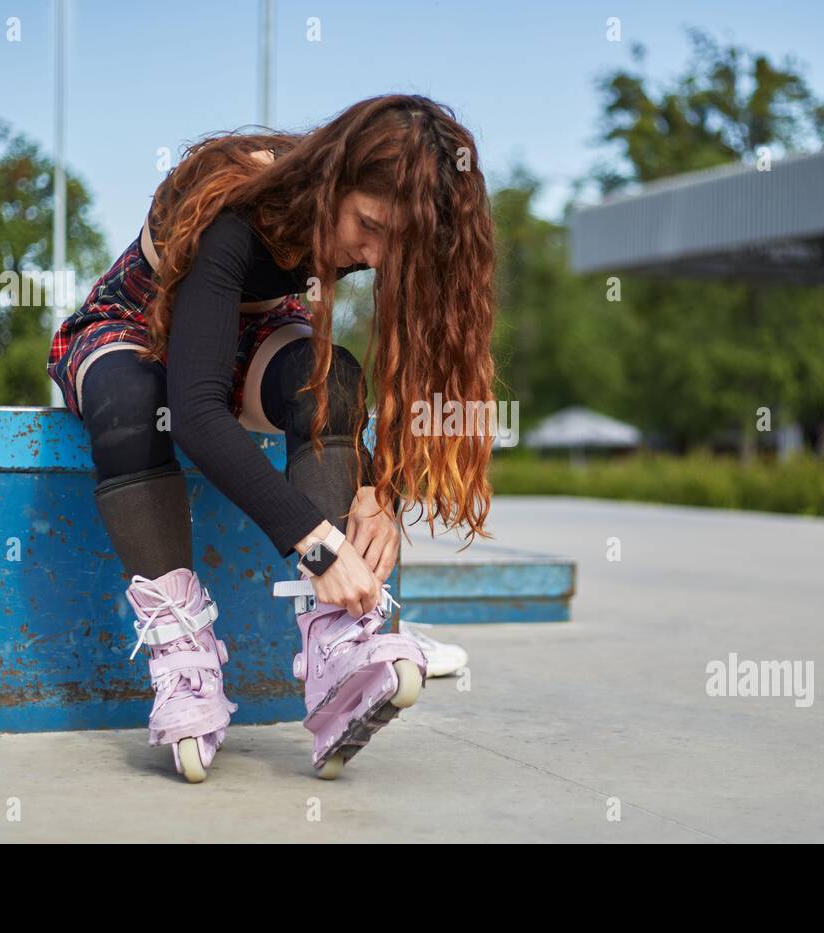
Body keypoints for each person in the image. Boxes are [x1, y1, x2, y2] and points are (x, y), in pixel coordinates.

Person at [46, 94, 496, 781]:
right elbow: (194, 415)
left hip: (249, 337)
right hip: (134, 329)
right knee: (136, 400)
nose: (370, 256)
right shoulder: (235, 200)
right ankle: (183, 649)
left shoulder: (376, 234)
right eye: (367, 227)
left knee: (330, 380)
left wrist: (382, 489)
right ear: (334, 176)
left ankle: (337, 648)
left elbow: (415, 366)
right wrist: (320, 546)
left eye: (392, 244)